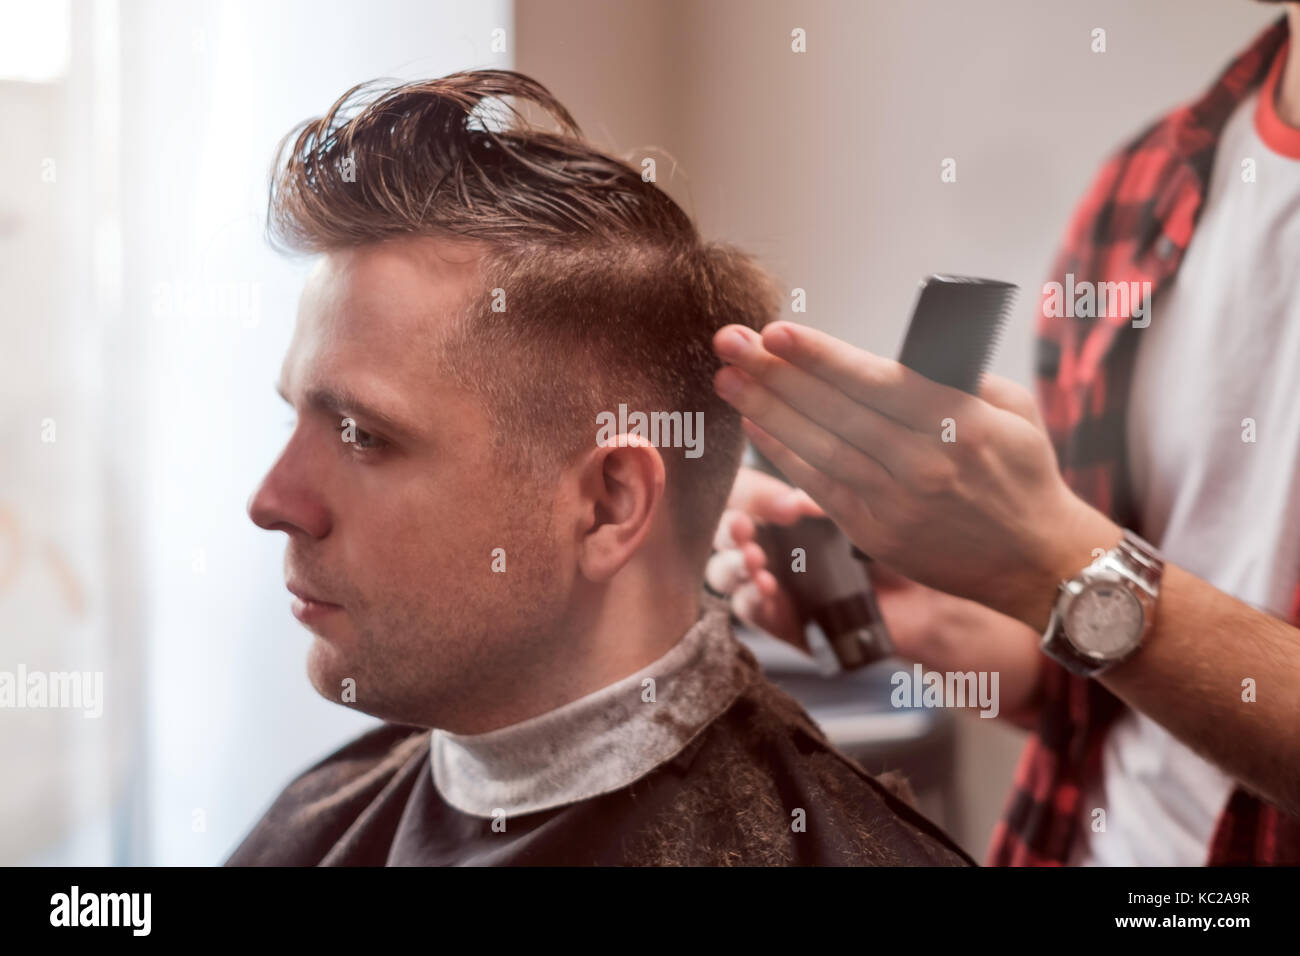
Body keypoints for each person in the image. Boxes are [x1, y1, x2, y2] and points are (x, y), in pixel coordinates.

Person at [225, 70, 972, 867]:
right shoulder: (321, 815)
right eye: (293, 415)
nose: (272, 502)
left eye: (363, 436)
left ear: (609, 505)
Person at [708, 6, 1300, 866]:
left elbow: (1093, 585)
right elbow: (1105, 679)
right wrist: (948, 616)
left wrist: (1056, 564)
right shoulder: (1144, 190)